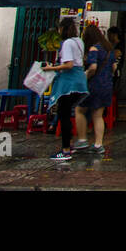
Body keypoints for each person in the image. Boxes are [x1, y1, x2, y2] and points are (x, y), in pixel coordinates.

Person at [43, 18, 89, 160]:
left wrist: (51, 68)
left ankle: (66, 149)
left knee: (64, 115)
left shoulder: (68, 43)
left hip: (69, 83)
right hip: (79, 81)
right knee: (67, 114)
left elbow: (69, 65)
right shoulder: (79, 41)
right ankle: (69, 145)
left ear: (63, 29)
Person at [76, 24, 115, 154]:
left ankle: (82, 139)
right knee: (98, 115)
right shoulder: (109, 49)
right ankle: (98, 144)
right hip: (106, 85)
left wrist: (85, 76)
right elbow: (114, 68)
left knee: (79, 109)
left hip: (94, 85)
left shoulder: (94, 49)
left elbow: (93, 67)